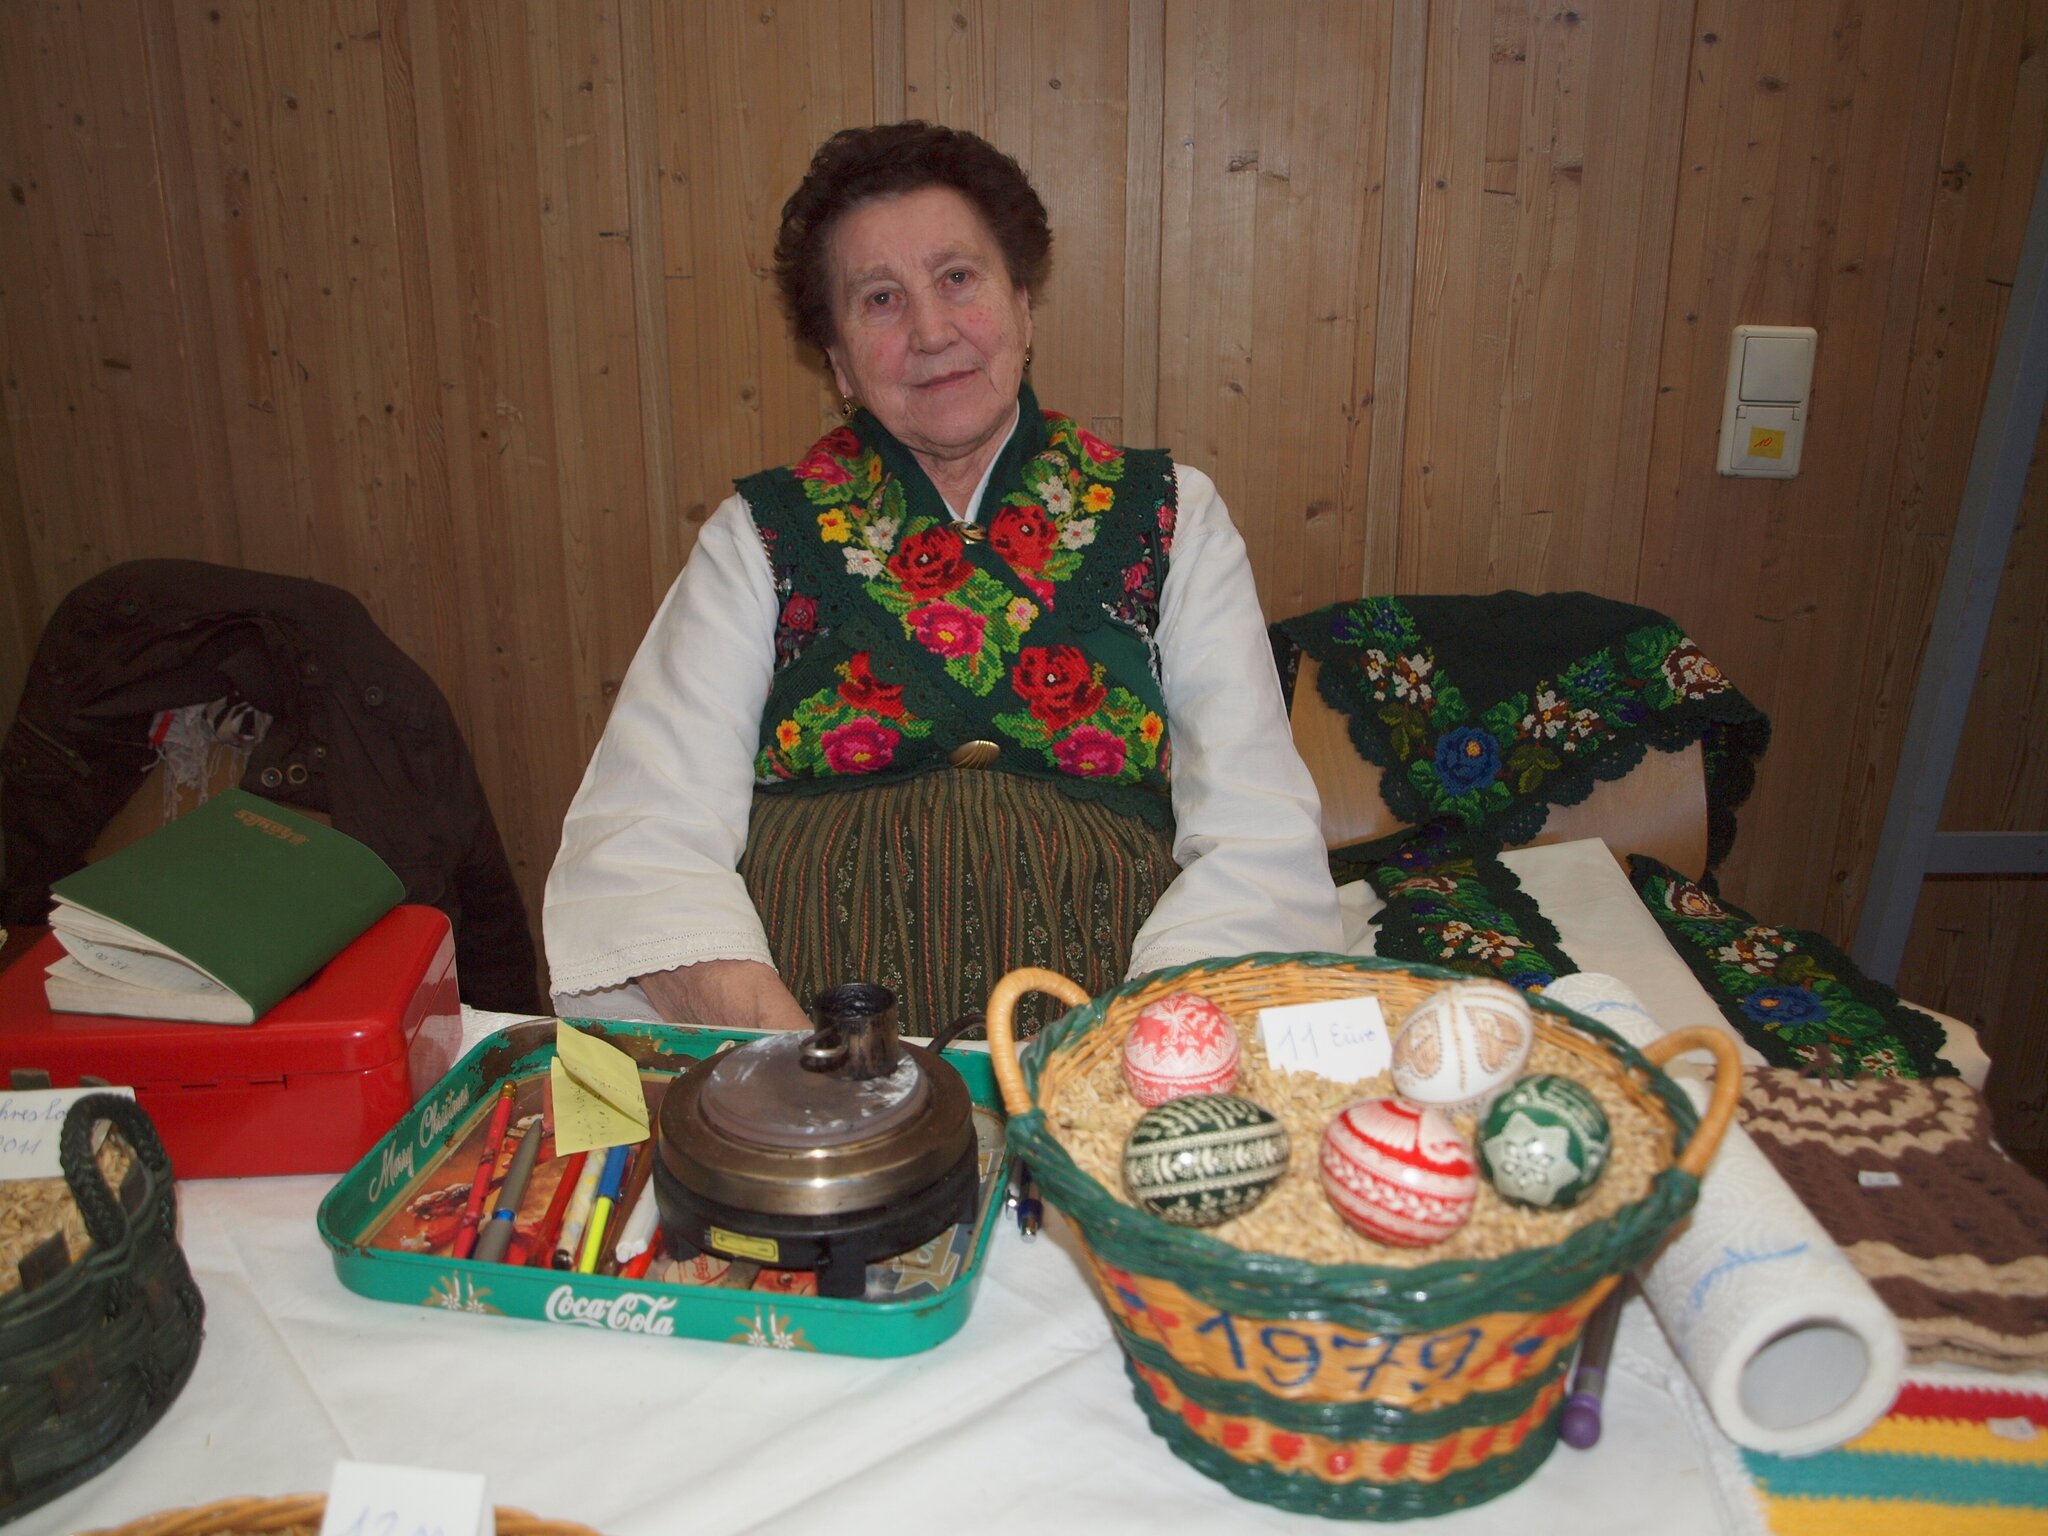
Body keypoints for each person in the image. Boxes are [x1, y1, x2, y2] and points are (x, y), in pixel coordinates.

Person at [544, 121, 1339, 1035]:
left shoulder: (1172, 514)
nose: (931, 330)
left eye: (958, 279)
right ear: (838, 363)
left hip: (1106, 1030)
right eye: (880, 299)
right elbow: (647, 829)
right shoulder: (759, 537)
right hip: (810, 1034)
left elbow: (1256, 827)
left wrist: (1141, 1054)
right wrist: (804, 1072)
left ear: (1023, 306)